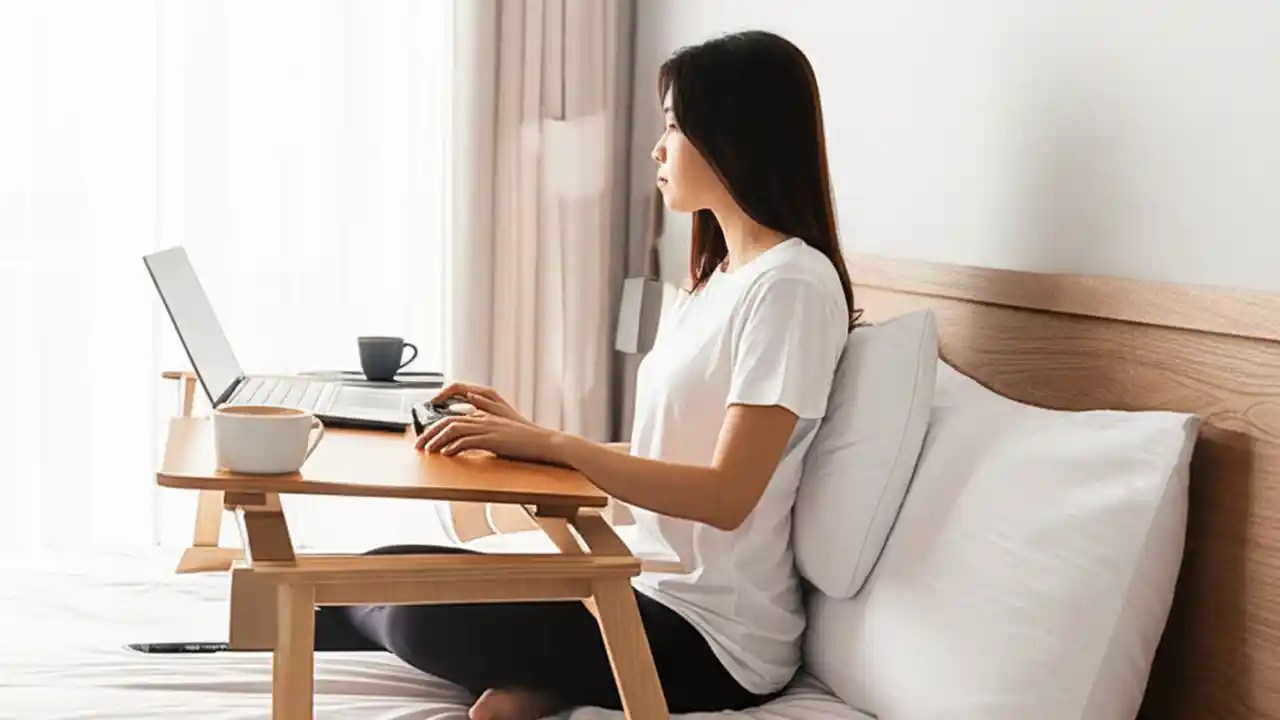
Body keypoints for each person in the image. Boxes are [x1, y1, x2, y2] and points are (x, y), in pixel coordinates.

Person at [314, 29, 858, 720]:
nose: (658, 149)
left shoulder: (793, 287)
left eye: (672, 127)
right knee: (386, 565)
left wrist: (558, 448)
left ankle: (511, 677)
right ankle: (538, 685)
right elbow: (673, 460)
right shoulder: (720, 277)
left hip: (715, 641)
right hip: (642, 586)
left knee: (419, 612)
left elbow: (726, 495)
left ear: (734, 136)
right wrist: (528, 432)